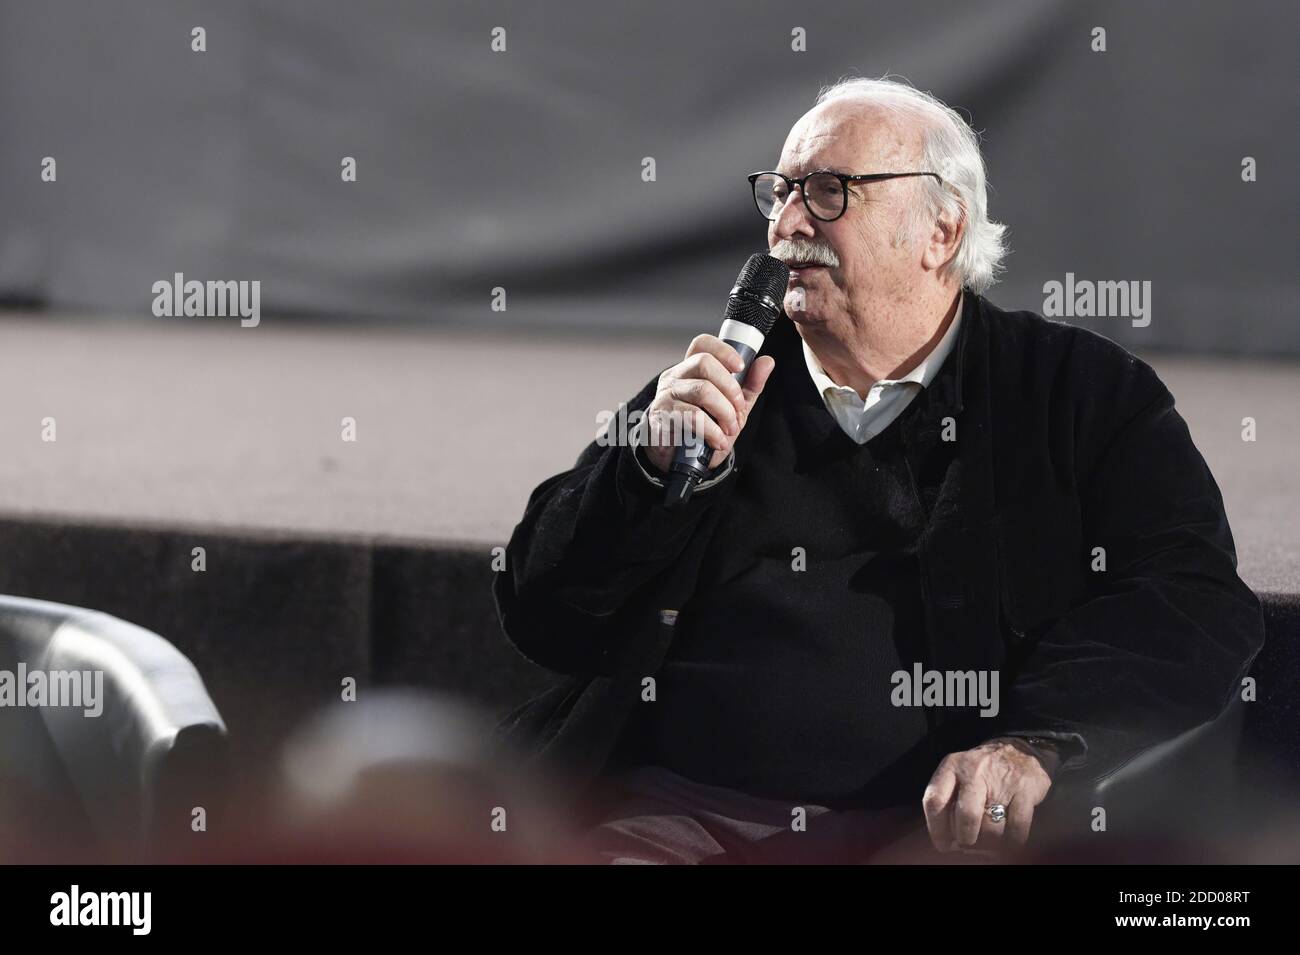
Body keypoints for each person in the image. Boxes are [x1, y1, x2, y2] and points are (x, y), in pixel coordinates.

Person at [491, 76, 1264, 863]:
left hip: (935, 836)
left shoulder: (1077, 393)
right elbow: (544, 614)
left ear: (942, 230)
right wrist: (645, 475)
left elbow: (1188, 595)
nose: (788, 224)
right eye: (780, 194)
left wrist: (1038, 743)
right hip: (685, 818)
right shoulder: (719, 387)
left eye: (829, 192)